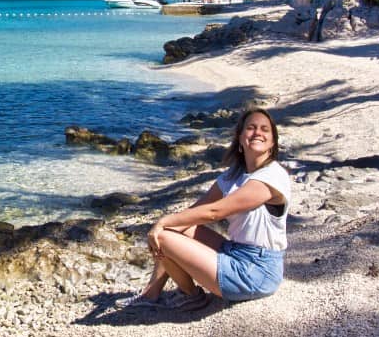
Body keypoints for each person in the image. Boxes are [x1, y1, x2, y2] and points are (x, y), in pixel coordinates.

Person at [124, 106, 290, 312]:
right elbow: (196, 211)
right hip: (235, 251)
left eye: (265, 129)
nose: (257, 132)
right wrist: (168, 224)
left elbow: (215, 212)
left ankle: (191, 295)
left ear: (273, 142)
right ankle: (152, 292)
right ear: (240, 137)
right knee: (176, 229)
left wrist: (161, 223)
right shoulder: (234, 176)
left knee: (165, 237)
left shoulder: (272, 176)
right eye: (251, 128)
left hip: (258, 271)